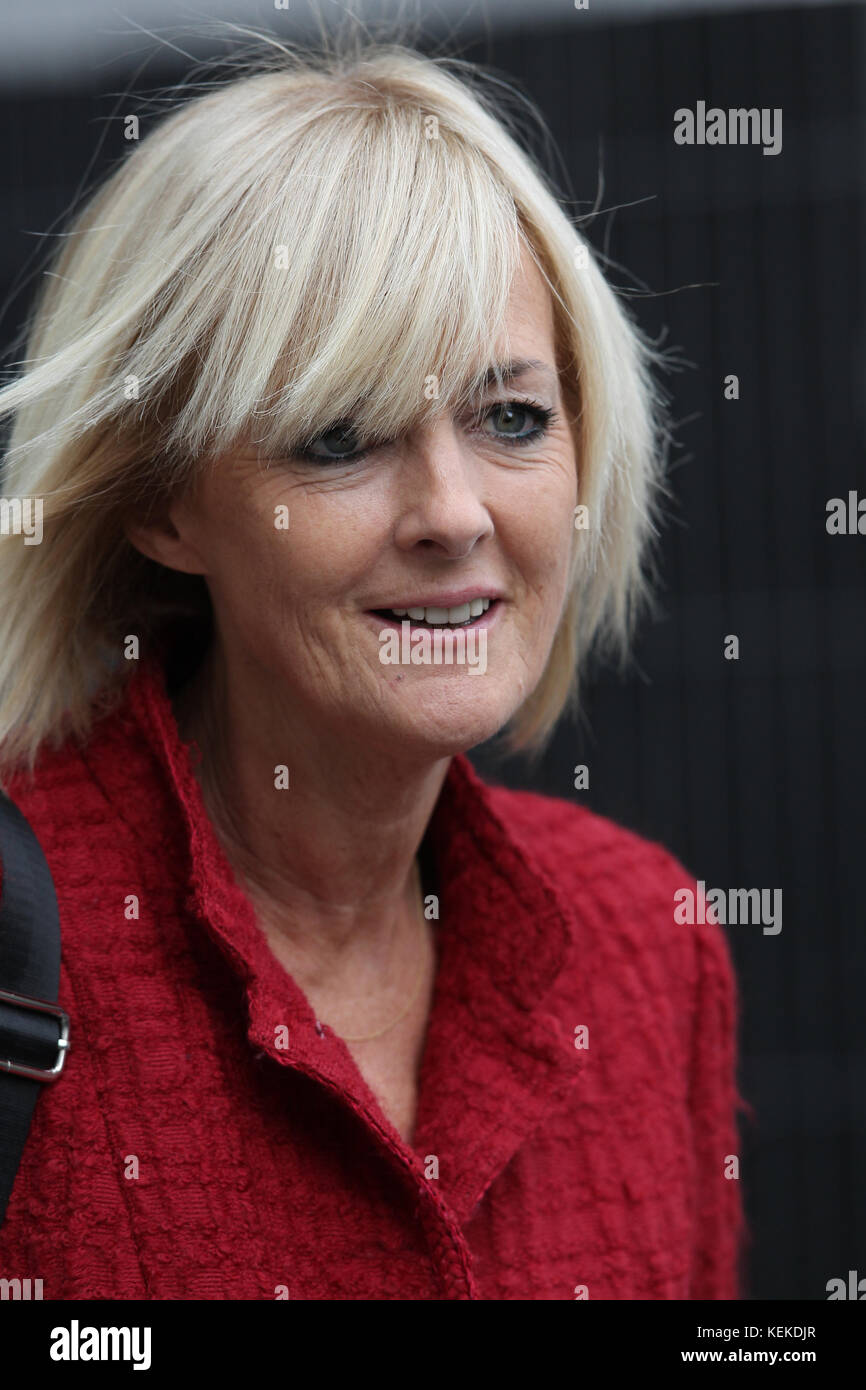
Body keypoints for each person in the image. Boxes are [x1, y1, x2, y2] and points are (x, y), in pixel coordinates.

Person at [0, 35, 745, 1300]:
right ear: (163, 500)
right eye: (339, 436)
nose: (452, 513)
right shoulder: (30, 933)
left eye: (510, 417)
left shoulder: (644, 944)